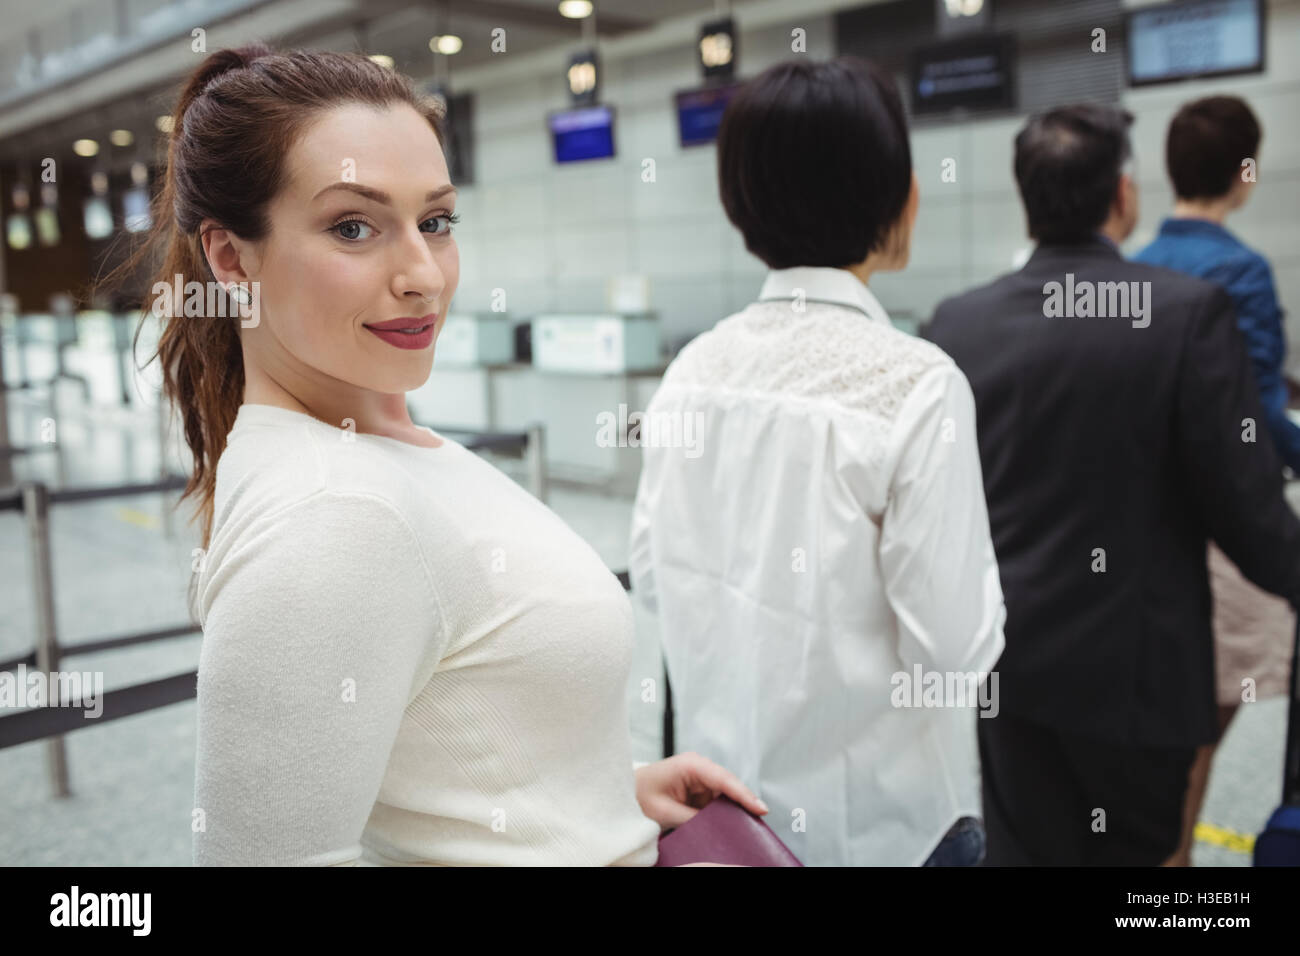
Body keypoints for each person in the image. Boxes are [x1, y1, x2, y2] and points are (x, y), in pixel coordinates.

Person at [105, 43, 764, 866]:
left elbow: (437, 753)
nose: (423, 274)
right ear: (232, 260)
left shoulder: (382, 447)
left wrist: (602, 796)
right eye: (354, 227)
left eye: (437, 221)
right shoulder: (334, 514)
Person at [628, 57, 1006, 867]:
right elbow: (950, 653)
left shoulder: (692, 371)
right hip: (893, 829)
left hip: (727, 817)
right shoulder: (917, 384)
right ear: (898, 193)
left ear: (740, 203)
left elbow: (654, 578)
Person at [923, 103, 1300, 865]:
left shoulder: (957, 326)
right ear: (1123, 196)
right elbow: (1249, 510)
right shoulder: (1187, 316)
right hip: (1140, 685)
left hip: (1010, 672)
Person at [1133, 94, 1298, 865]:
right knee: (1204, 732)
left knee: (1169, 730)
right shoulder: (1240, 271)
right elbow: (1257, 420)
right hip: (1225, 537)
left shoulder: (1133, 268)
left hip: (1142, 532)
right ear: (1243, 172)